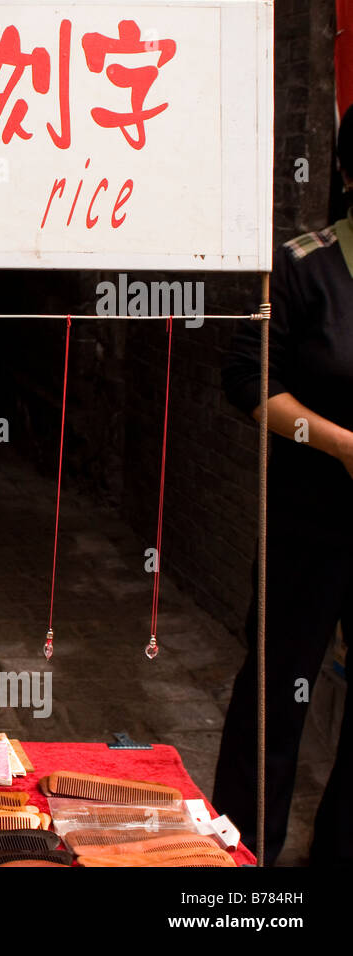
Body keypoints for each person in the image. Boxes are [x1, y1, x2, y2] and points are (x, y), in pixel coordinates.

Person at [212, 107, 353, 866]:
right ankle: (242, 865)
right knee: (276, 697)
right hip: (312, 522)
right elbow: (246, 380)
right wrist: (337, 444)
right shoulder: (306, 265)